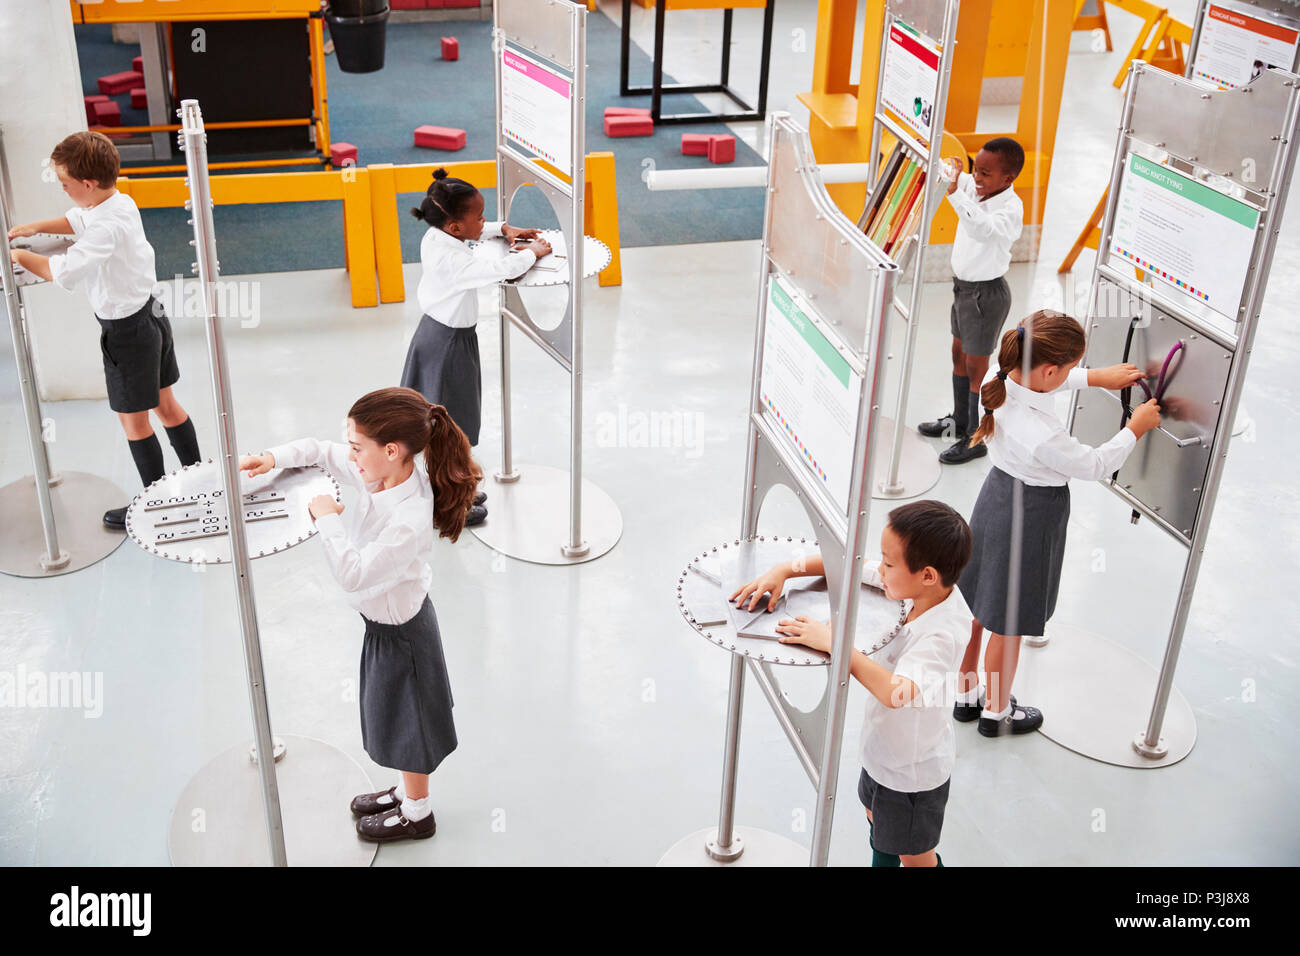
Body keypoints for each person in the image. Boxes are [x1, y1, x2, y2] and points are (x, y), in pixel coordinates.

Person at [240, 387, 480, 843]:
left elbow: (353, 574)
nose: (349, 456)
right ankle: (408, 794)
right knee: (394, 719)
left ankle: (418, 814)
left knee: (409, 727)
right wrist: (273, 458)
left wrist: (325, 517)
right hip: (385, 630)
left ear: (391, 451)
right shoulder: (379, 472)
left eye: (357, 447)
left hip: (404, 637)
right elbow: (317, 451)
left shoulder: (408, 519)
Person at [730, 501, 973, 867]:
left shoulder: (944, 631)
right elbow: (852, 568)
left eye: (890, 563)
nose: (882, 568)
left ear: (926, 575)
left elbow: (897, 693)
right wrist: (784, 570)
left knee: (914, 856)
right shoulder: (913, 588)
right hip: (882, 753)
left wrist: (836, 643)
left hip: (912, 775)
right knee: (878, 825)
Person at [955, 312, 1161, 736]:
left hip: (994, 498)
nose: (1068, 375)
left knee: (977, 605)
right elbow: (1093, 464)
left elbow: (1045, 380)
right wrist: (1133, 429)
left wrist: (1094, 377)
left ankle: (966, 695)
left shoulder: (1000, 382)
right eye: (1067, 369)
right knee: (1008, 622)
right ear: (1050, 369)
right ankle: (996, 714)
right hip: (1031, 513)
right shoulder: (1042, 432)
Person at [8, 131, 201, 529]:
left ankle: (157, 507)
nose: (64, 191)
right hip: (152, 317)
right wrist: (30, 227)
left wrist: (16, 255)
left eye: (65, 185)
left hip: (126, 334)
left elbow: (62, 270)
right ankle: (201, 481)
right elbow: (76, 218)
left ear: (88, 184)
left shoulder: (103, 231)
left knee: (134, 422)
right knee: (167, 405)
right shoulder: (118, 201)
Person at [399, 168, 551, 527]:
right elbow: (499, 270)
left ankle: (455, 486)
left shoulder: (438, 237)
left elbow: (476, 231)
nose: (484, 222)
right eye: (479, 217)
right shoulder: (453, 261)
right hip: (449, 344)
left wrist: (504, 229)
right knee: (452, 427)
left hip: (441, 335)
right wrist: (533, 252)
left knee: (451, 423)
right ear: (454, 226)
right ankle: (448, 502)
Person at [918, 137, 1025, 465]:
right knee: (958, 355)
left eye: (985, 174)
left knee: (977, 368)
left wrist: (956, 194)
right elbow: (950, 174)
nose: (976, 178)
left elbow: (983, 230)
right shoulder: (974, 185)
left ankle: (976, 437)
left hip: (985, 296)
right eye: (976, 170)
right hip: (963, 290)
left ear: (1007, 179)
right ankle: (959, 420)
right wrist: (951, 167)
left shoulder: (1010, 209)